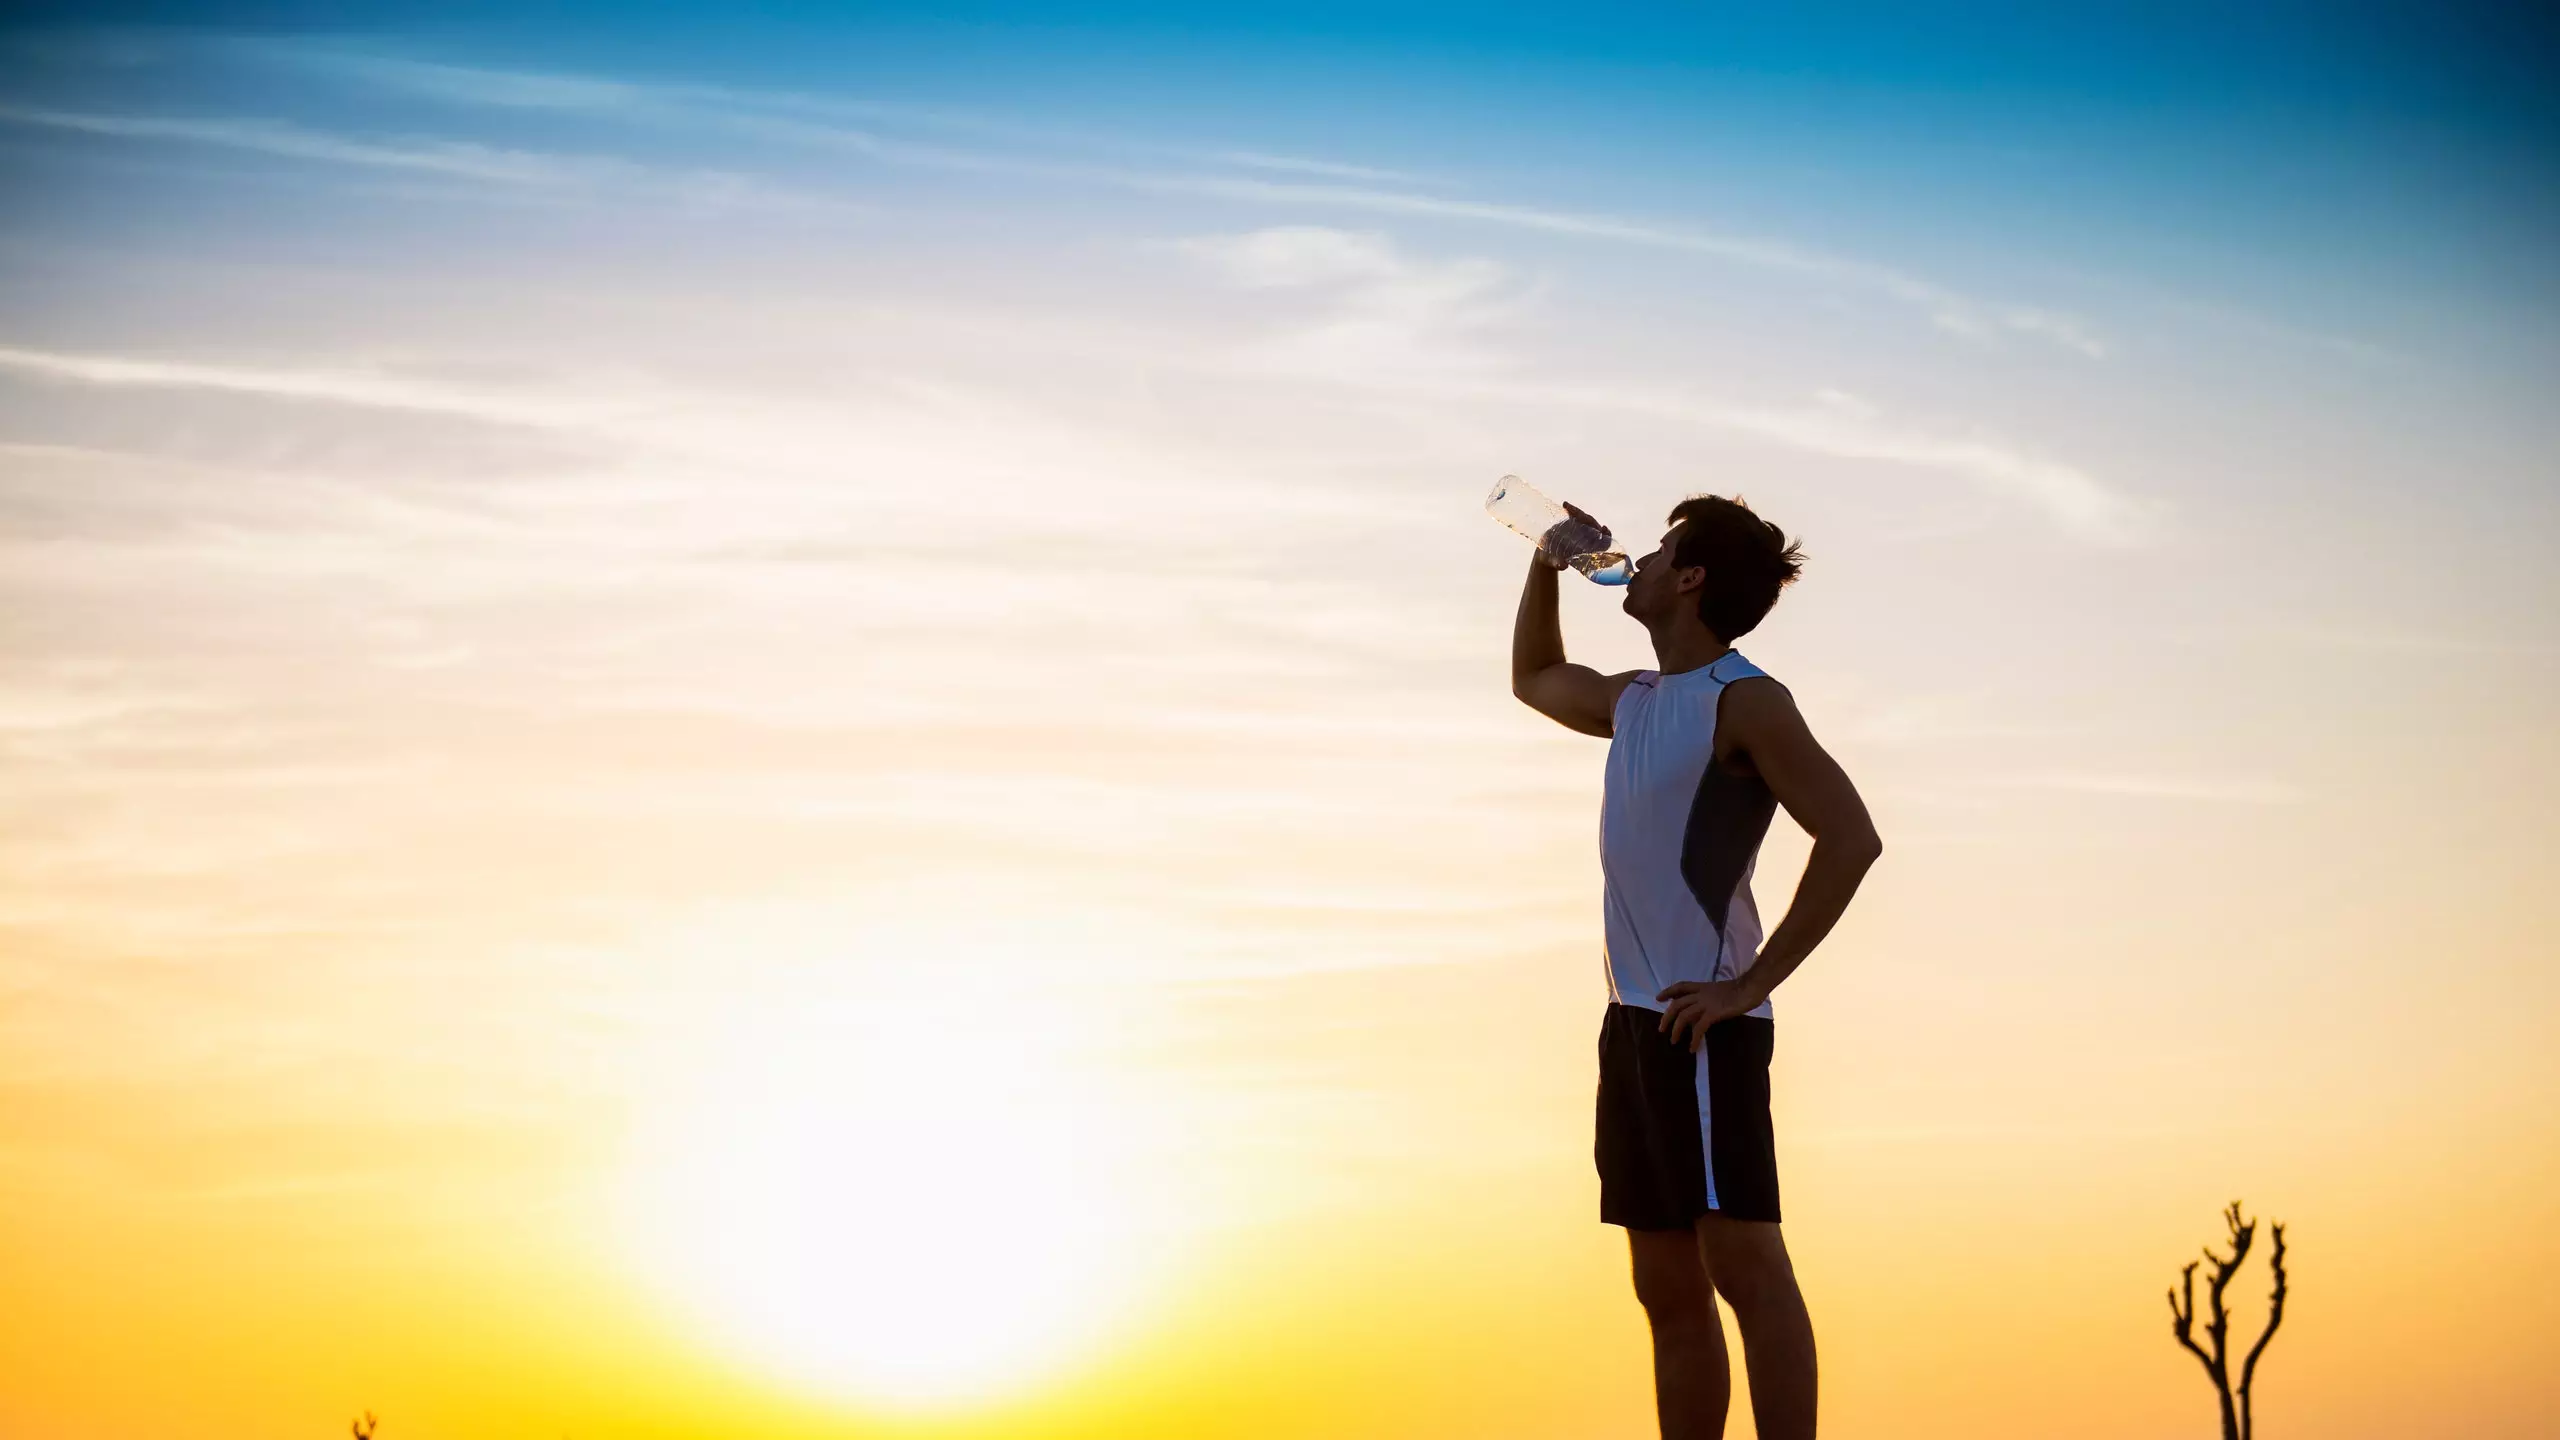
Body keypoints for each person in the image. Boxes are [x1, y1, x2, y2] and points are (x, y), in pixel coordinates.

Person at [1510, 494, 1882, 1440]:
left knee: (1748, 1270)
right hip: (1632, 1025)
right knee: (1666, 1290)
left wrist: (1748, 988)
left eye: (1663, 547)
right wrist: (1545, 564)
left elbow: (1850, 838)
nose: (1639, 558)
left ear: (1691, 577)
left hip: (1703, 1025)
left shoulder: (1746, 700)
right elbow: (1538, 677)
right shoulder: (1633, 698)